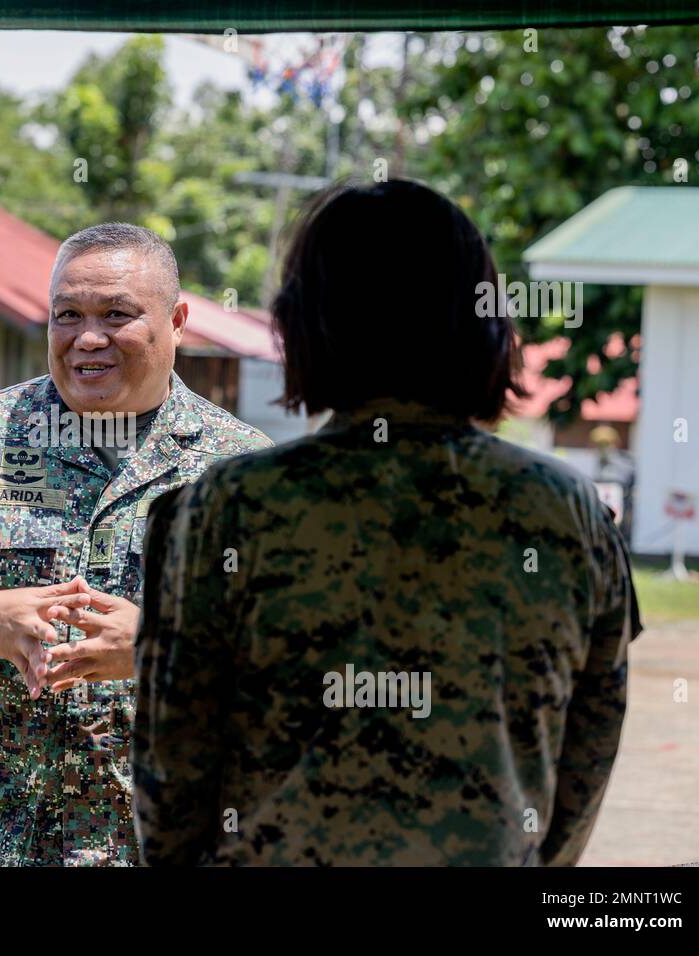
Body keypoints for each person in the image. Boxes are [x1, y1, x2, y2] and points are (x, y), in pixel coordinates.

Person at [134, 179, 642, 866]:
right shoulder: (568, 510)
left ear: (306, 323)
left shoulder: (226, 509)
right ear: (483, 321)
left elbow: (172, 780)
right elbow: (587, 756)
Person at [0, 223, 271, 865]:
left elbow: (298, 662)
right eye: (67, 315)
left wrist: (163, 649)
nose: (88, 338)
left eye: (117, 315)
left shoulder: (243, 472)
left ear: (177, 320)